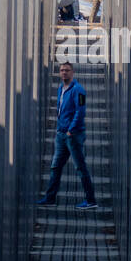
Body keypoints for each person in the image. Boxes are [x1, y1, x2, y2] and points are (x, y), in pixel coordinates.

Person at [37, 61, 97, 208]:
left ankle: (91, 200)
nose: (64, 72)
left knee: (80, 168)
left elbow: (80, 111)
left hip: (73, 135)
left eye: (67, 70)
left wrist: (71, 129)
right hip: (61, 135)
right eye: (62, 70)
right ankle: (50, 198)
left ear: (73, 72)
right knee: (55, 167)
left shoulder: (79, 90)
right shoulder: (60, 89)